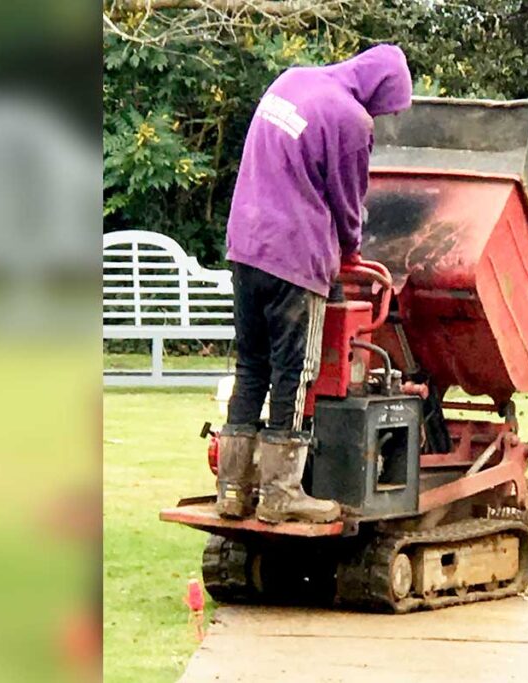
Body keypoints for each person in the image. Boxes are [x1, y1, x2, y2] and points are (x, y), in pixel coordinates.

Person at [216, 45, 412, 523]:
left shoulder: (291, 80)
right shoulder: (352, 120)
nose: (381, 116)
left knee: (251, 365)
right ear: (379, 92)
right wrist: (350, 250)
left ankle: (233, 490)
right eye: (386, 108)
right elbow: (347, 199)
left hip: (245, 245)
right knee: (294, 372)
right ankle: (281, 493)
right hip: (293, 258)